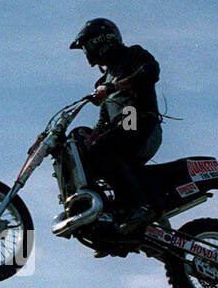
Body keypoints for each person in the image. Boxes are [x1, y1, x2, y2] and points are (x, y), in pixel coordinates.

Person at [69, 18, 163, 235]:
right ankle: (111, 212)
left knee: (102, 148)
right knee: (85, 149)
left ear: (102, 40)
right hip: (123, 127)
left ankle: (139, 207)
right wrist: (90, 137)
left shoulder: (133, 55)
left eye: (87, 46)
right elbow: (104, 120)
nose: (87, 53)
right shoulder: (104, 80)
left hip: (138, 118)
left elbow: (150, 72)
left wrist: (114, 87)